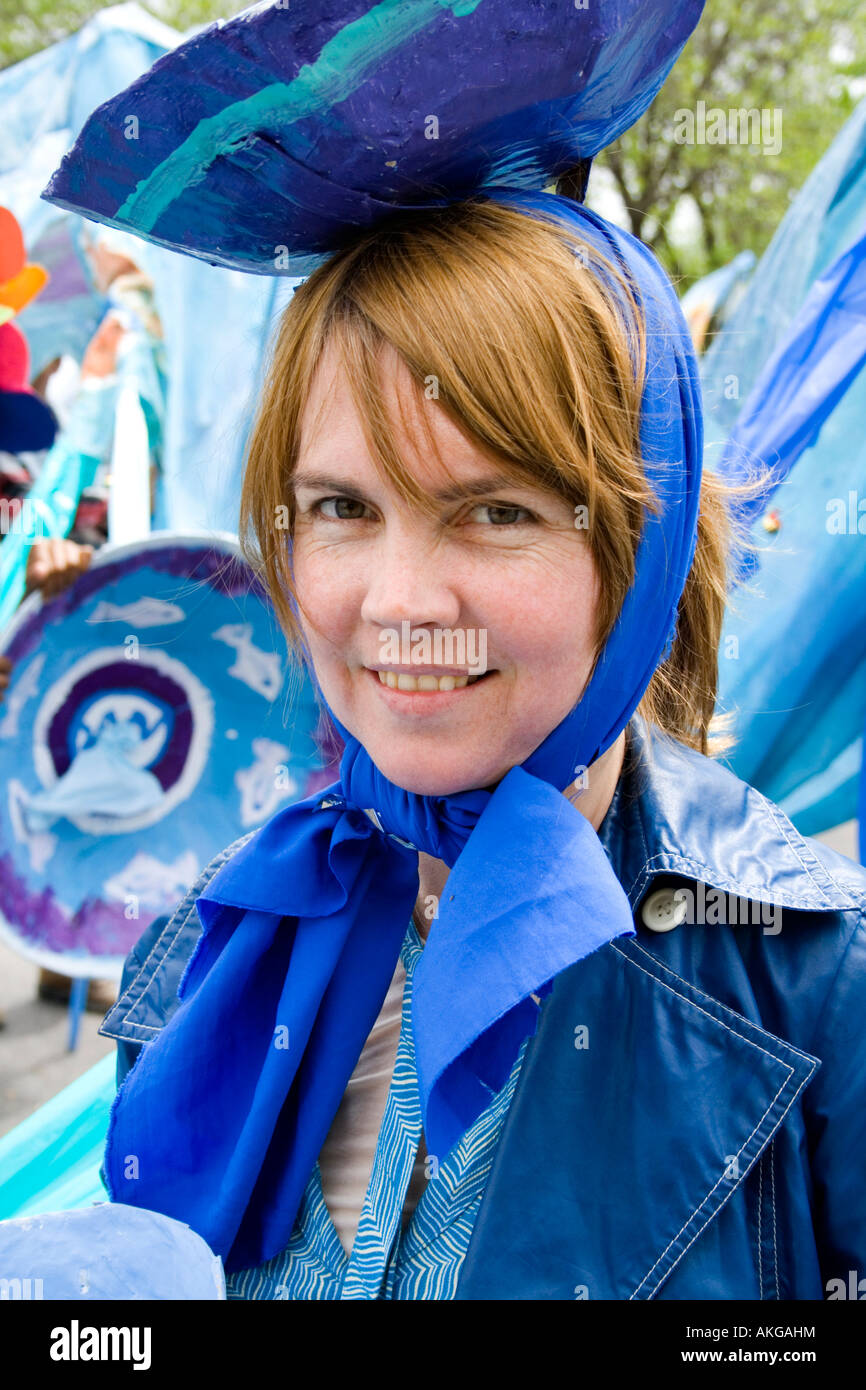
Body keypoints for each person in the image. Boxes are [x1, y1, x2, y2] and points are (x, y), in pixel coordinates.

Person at [96, 193, 866, 1301]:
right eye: (341, 507)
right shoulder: (208, 943)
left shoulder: (813, 985)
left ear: (636, 546)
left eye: (495, 511)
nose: (401, 604)